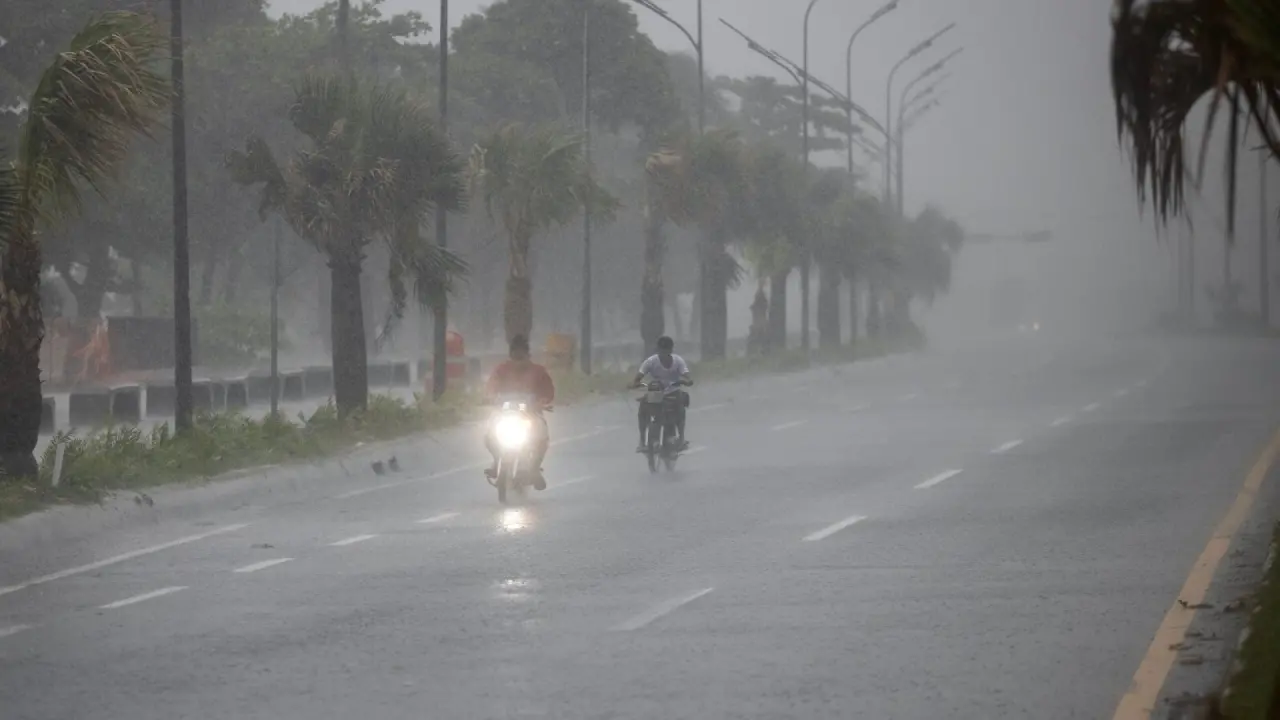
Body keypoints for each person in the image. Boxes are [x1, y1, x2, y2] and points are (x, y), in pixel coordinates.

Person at [484, 334, 555, 490]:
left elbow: (548, 392)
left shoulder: (538, 371)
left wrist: (542, 402)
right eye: (515, 355)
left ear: (527, 354)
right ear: (511, 354)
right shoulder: (501, 370)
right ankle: (497, 461)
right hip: (505, 413)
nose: (518, 359)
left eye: (521, 354)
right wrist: (490, 397)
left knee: (541, 436)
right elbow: (491, 387)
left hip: (530, 413)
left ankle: (534, 468)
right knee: (490, 435)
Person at [630, 336, 692, 452]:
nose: (664, 353)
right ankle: (642, 441)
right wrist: (635, 383)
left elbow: (686, 374)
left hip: (673, 392)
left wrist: (687, 380)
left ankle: (682, 438)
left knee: (680, 408)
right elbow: (639, 376)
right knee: (643, 407)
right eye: (662, 350)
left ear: (671, 350)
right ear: (658, 349)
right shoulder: (651, 362)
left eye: (666, 350)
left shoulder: (678, 361)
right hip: (656, 392)